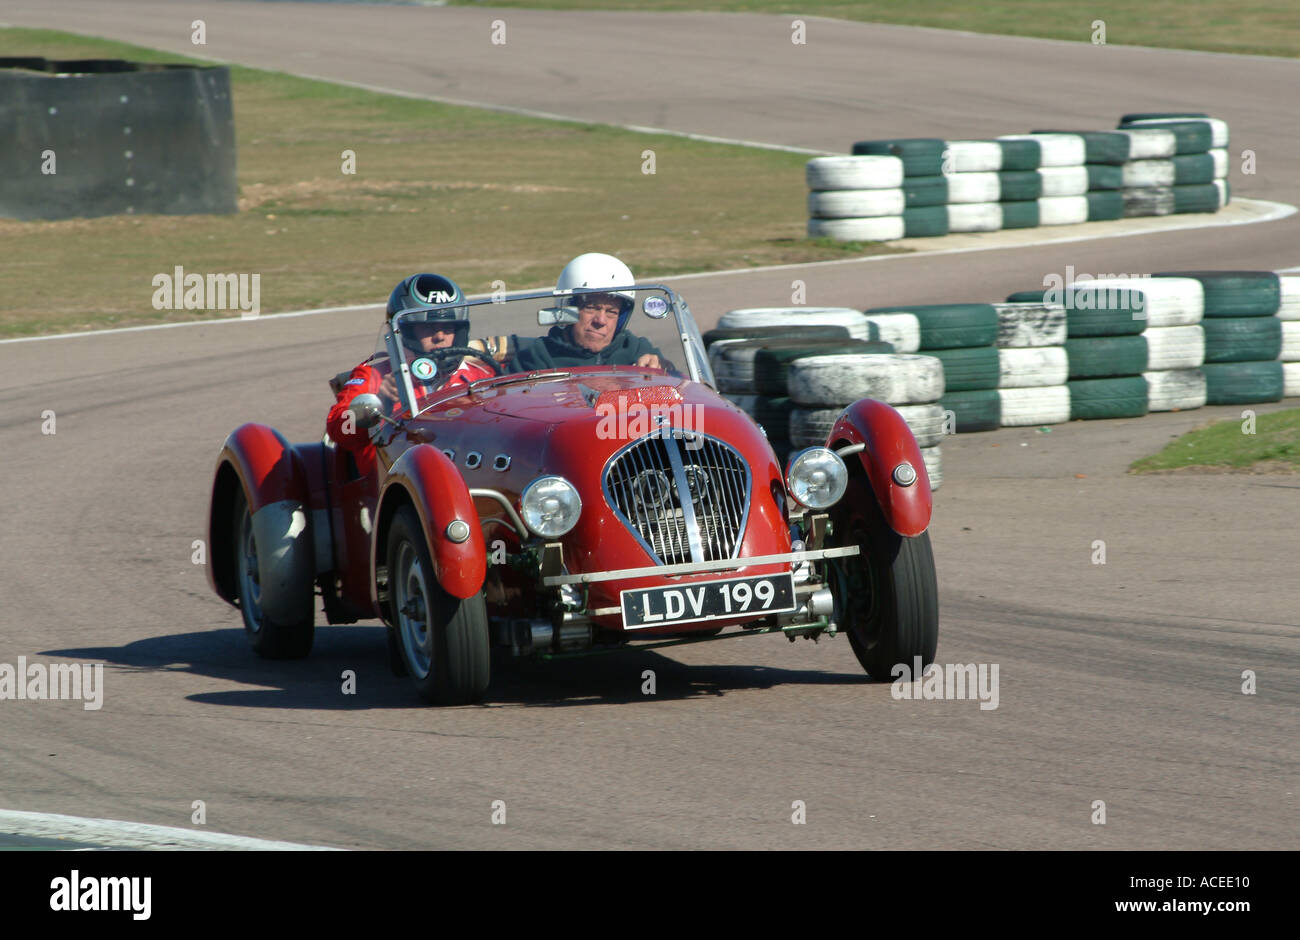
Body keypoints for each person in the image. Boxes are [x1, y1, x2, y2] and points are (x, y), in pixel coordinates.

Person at [326, 273, 494, 471]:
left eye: (448, 327)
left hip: (468, 475)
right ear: (407, 332)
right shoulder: (374, 376)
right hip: (393, 482)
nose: (440, 337)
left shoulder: (479, 376)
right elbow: (340, 431)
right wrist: (380, 401)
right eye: (428, 328)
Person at [514, 253, 669, 370]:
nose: (601, 321)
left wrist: (660, 366)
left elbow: (677, 386)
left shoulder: (637, 349)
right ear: (566, 307)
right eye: (591, 308)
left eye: (611, 312)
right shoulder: (539, 356)